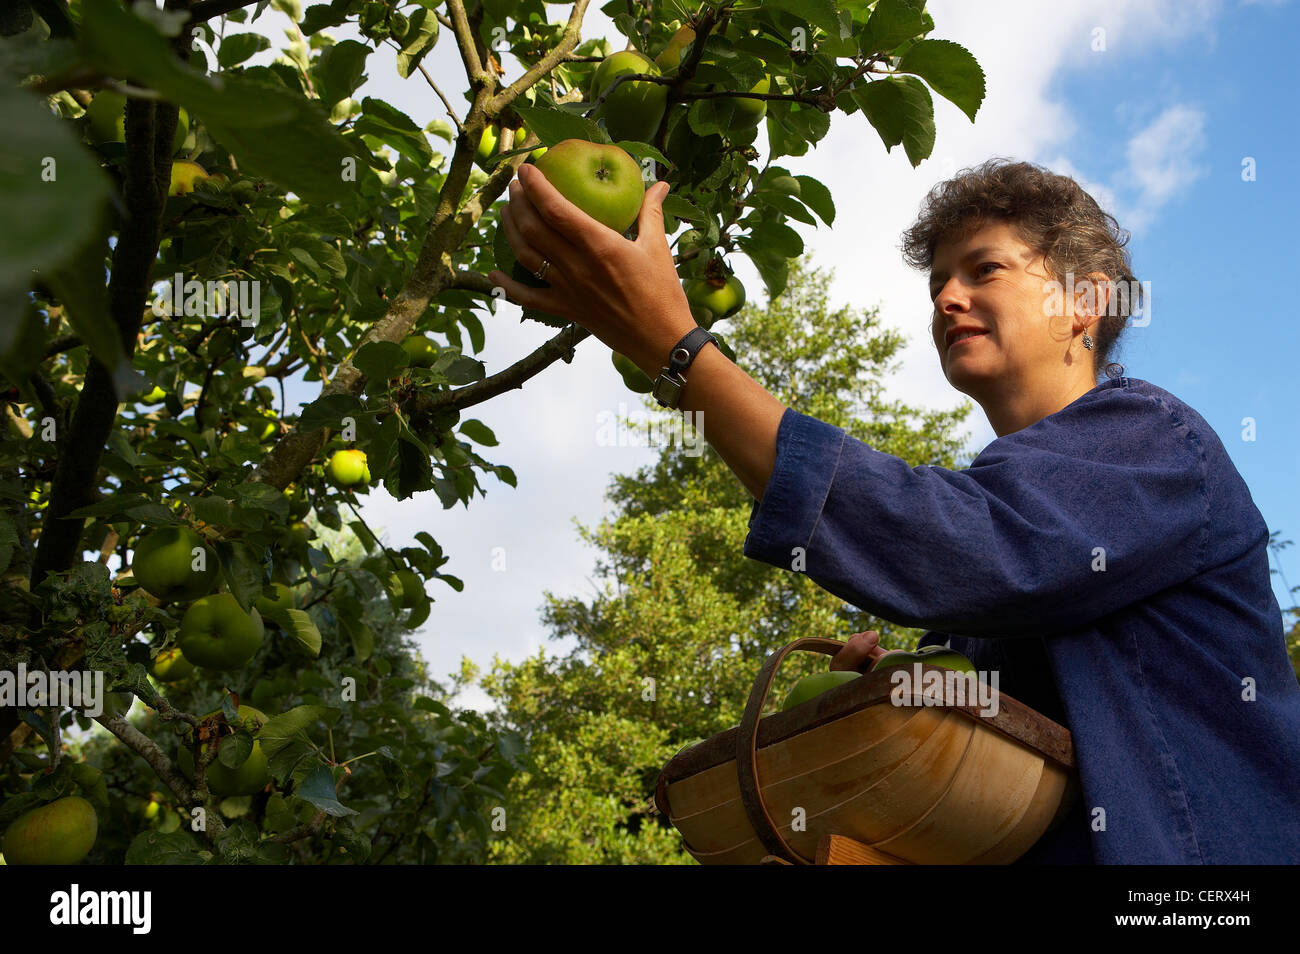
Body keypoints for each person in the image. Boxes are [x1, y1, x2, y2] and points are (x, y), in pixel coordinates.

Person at [489, 156, 1300, 865]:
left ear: (1084, 300)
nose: (947, 297)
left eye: (984, 270)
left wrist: (676, 347)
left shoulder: (1151, 442)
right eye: (938, 281)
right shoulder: (1016, 508)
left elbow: (958, 546)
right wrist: (903, 696)